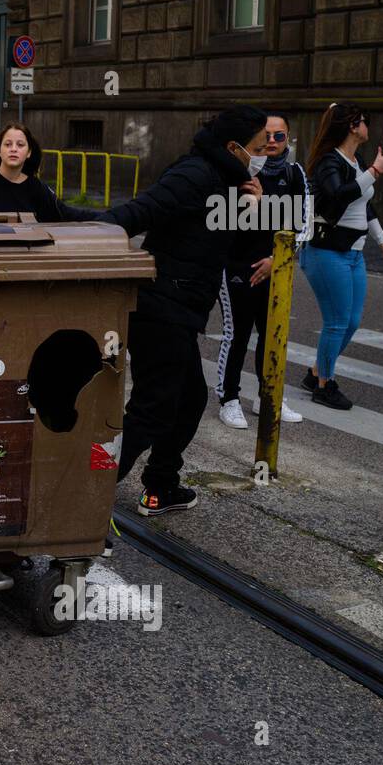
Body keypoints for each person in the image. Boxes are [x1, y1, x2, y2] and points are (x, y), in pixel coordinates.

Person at [98, 105, 270, 516]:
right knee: (153, 408)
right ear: (234, 147)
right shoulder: (195, 173)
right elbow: (139, 212)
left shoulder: (229, 179)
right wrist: (83, 232)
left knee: (189, 398)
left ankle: (160, 485)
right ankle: (89, 493)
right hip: (162, 306)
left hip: (180, 307)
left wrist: (253, 207)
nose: (266, 153)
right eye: (260, 146)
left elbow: (231, 243)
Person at [300, 102, 383, 410]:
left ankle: (316, 371)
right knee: (337, 322)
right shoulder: (328, 162)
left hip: (353, 254)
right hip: (327, 252)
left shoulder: (356, 160)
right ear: (353, 126)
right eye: (365, 121)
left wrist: (382, 240)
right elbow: (338, 196)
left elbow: (364, 205)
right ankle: (324, 384)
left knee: (352, 322)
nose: (368, 126)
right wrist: (373, 172)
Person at [216, 112, 309, 428]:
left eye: (279, 136)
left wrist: (276, 259)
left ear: (287, 139)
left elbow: (301, 224)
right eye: (266, 135)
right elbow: (229, 219)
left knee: (273, 335)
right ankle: (229, 399)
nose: (272, 141)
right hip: (239, 265)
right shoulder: (241, 168)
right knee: (237, 334)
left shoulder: (295, 174)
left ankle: (269, 396)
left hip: (275, 266)